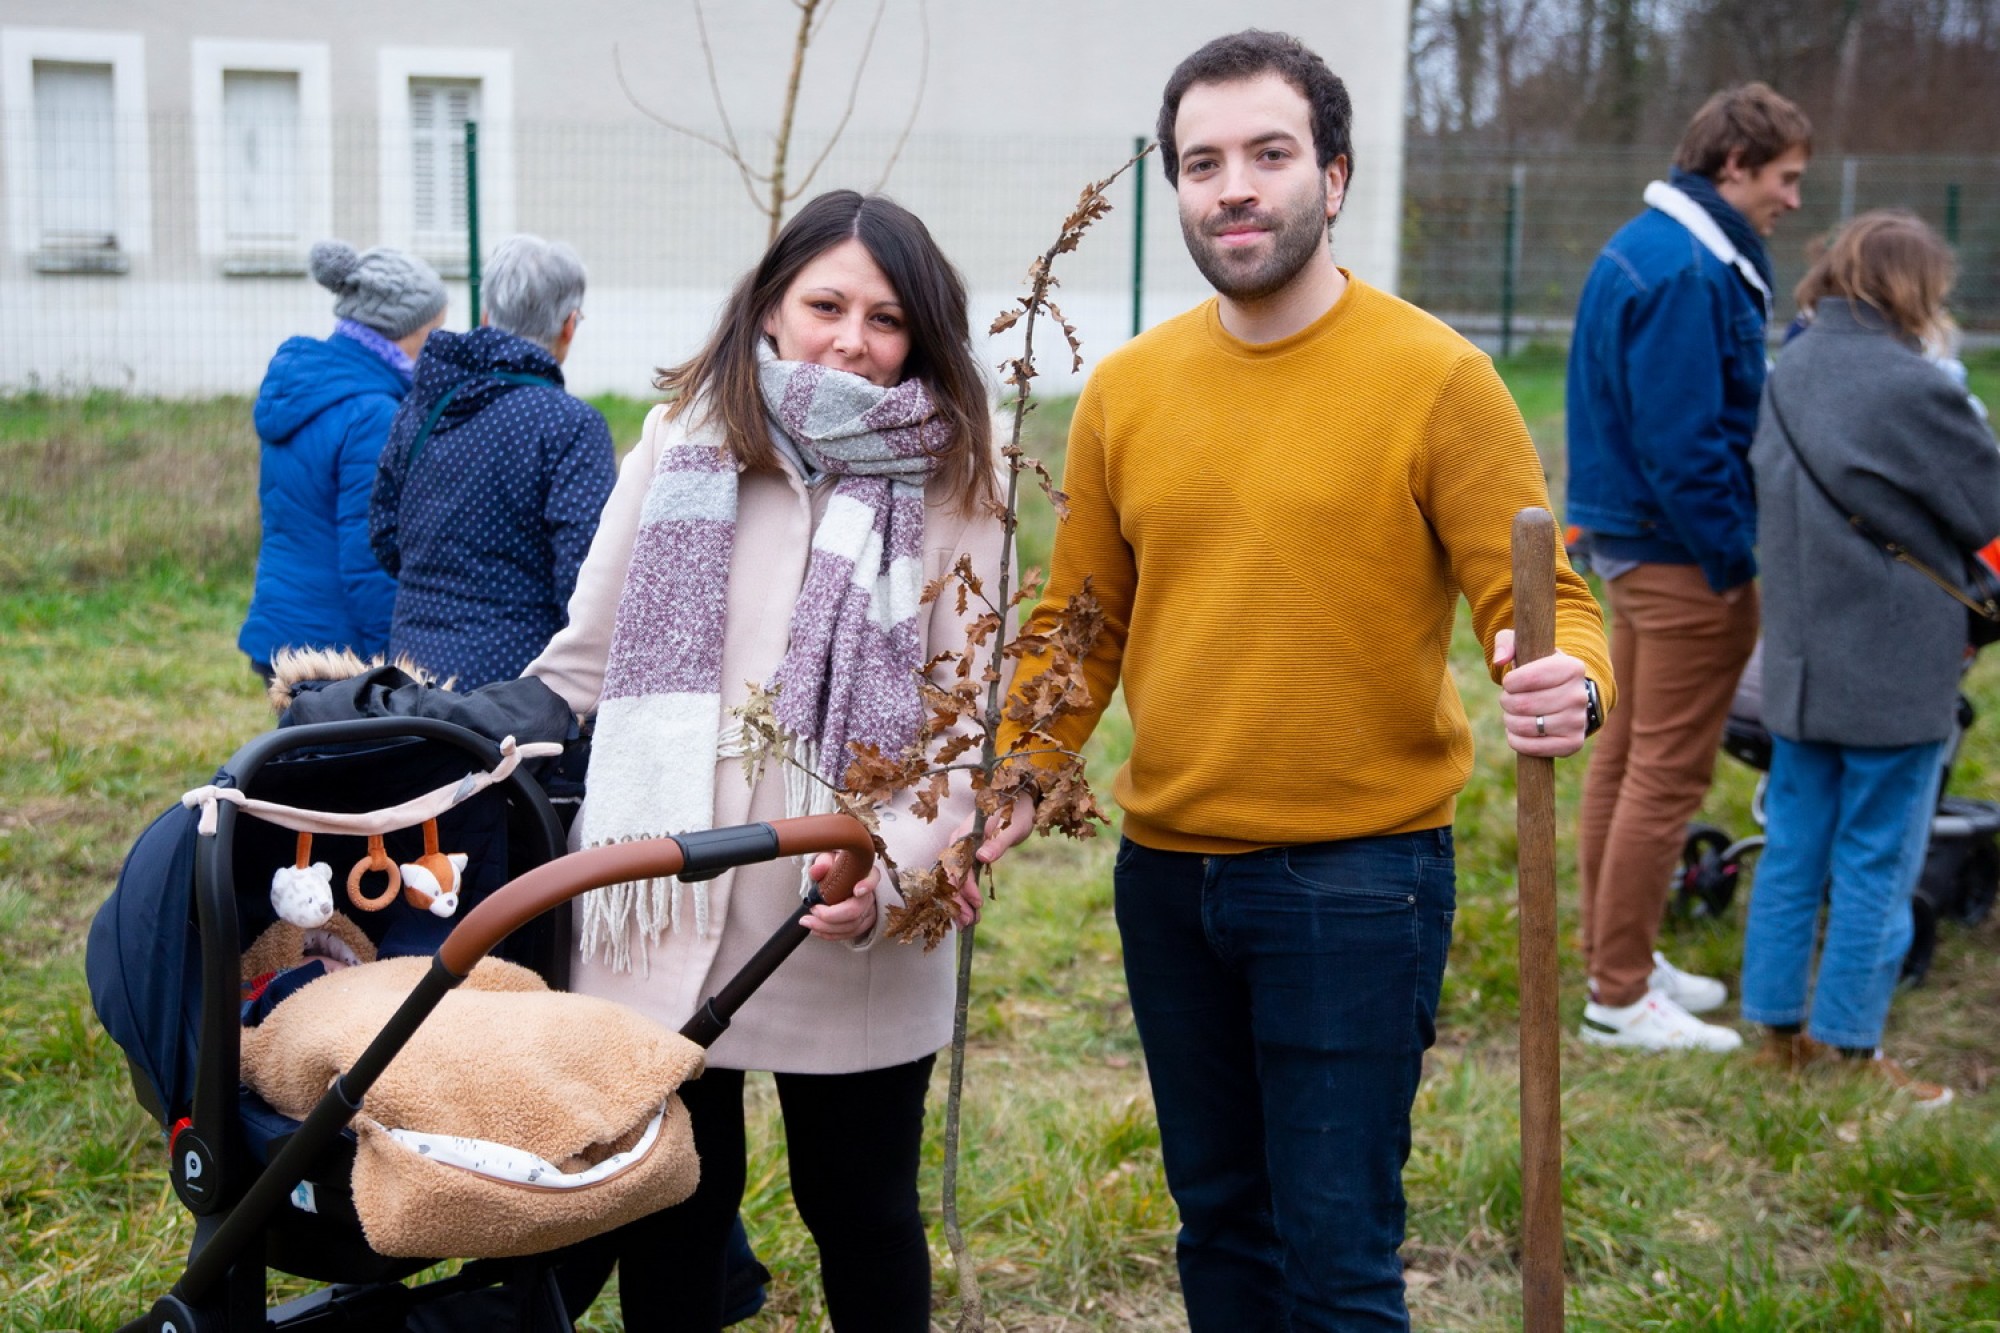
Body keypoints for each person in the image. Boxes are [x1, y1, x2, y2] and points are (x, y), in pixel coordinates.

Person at [963, 31, 1613, 1332]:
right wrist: (1016, 774)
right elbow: (1077, 625)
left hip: (1358, 880)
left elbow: (1553, 605)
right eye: (1202, 164)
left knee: (1337, 1261)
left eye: (1267, 153)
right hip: (1168, 877)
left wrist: (1569, 684)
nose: (1234, 187)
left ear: (1335, 170)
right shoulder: (1128, 393)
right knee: (1220, 1231)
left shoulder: (1437, 377)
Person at [526, 189, 1000, 1331]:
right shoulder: (681, 442)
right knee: (673, 1202)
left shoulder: (956, 482)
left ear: (921, 334)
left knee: (860, 1207)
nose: (851, 338)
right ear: (771, 309)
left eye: (885, 318)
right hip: (665, 901)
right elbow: (581, 660)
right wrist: (454, 747)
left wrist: (892, 872)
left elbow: (959, 720)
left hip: (840, 912)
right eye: (825, 303)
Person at [1565, 83, 1812, 1052]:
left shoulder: (1656, 246)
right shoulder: (1683, 269)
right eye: (1784, 179)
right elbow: (1683, 444)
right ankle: (1618, 998)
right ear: (1732, 166)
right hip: (1678, 555)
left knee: (1625, 761)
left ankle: (1614, 954)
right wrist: (1731, 561)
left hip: (1635, 546)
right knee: (1662, 776)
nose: (1791, 200)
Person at [1739, 210, 2000, 1108]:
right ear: (1914, 287)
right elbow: (1987, 504)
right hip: (1892, 660)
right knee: (1878, 858)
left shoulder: (1788, 367)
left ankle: (1775, 1032)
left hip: (1802, 657)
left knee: (1792, 849)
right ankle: (1850, 1044)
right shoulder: (1914, 385)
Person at [370, 233, 616, 690]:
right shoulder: (572, 426)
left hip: (411, 676)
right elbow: (585, 577)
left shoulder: (423, 407)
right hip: (516, 688)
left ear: (486, 317)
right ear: (569, 325)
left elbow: (386, 536)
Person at [238, 240, 447, 679]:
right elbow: (368, 554)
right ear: (405, 330)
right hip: (335, 648)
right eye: (435, 330)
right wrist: (392, 665)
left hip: (285, 622)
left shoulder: (309, 387)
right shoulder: (373, 413)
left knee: (297, 747)